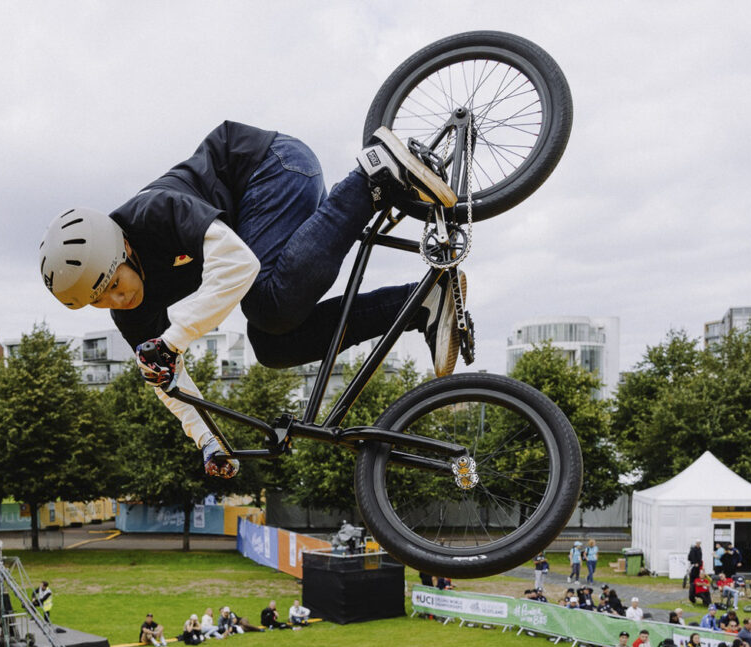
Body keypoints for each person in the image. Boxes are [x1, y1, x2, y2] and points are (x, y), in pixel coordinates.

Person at [39, 122, 468, 479]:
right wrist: (209, 440)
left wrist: (173, 340)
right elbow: (167, 382)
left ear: (124, 249)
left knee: (267, 304)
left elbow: (237, 266)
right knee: (274, 345)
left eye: (116, 284)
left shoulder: (158, 212)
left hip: (274, 167)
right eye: (101, 302)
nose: (120, 299)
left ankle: (371, 176)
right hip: (254, 219)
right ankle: (419, 303)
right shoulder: (127, 313)